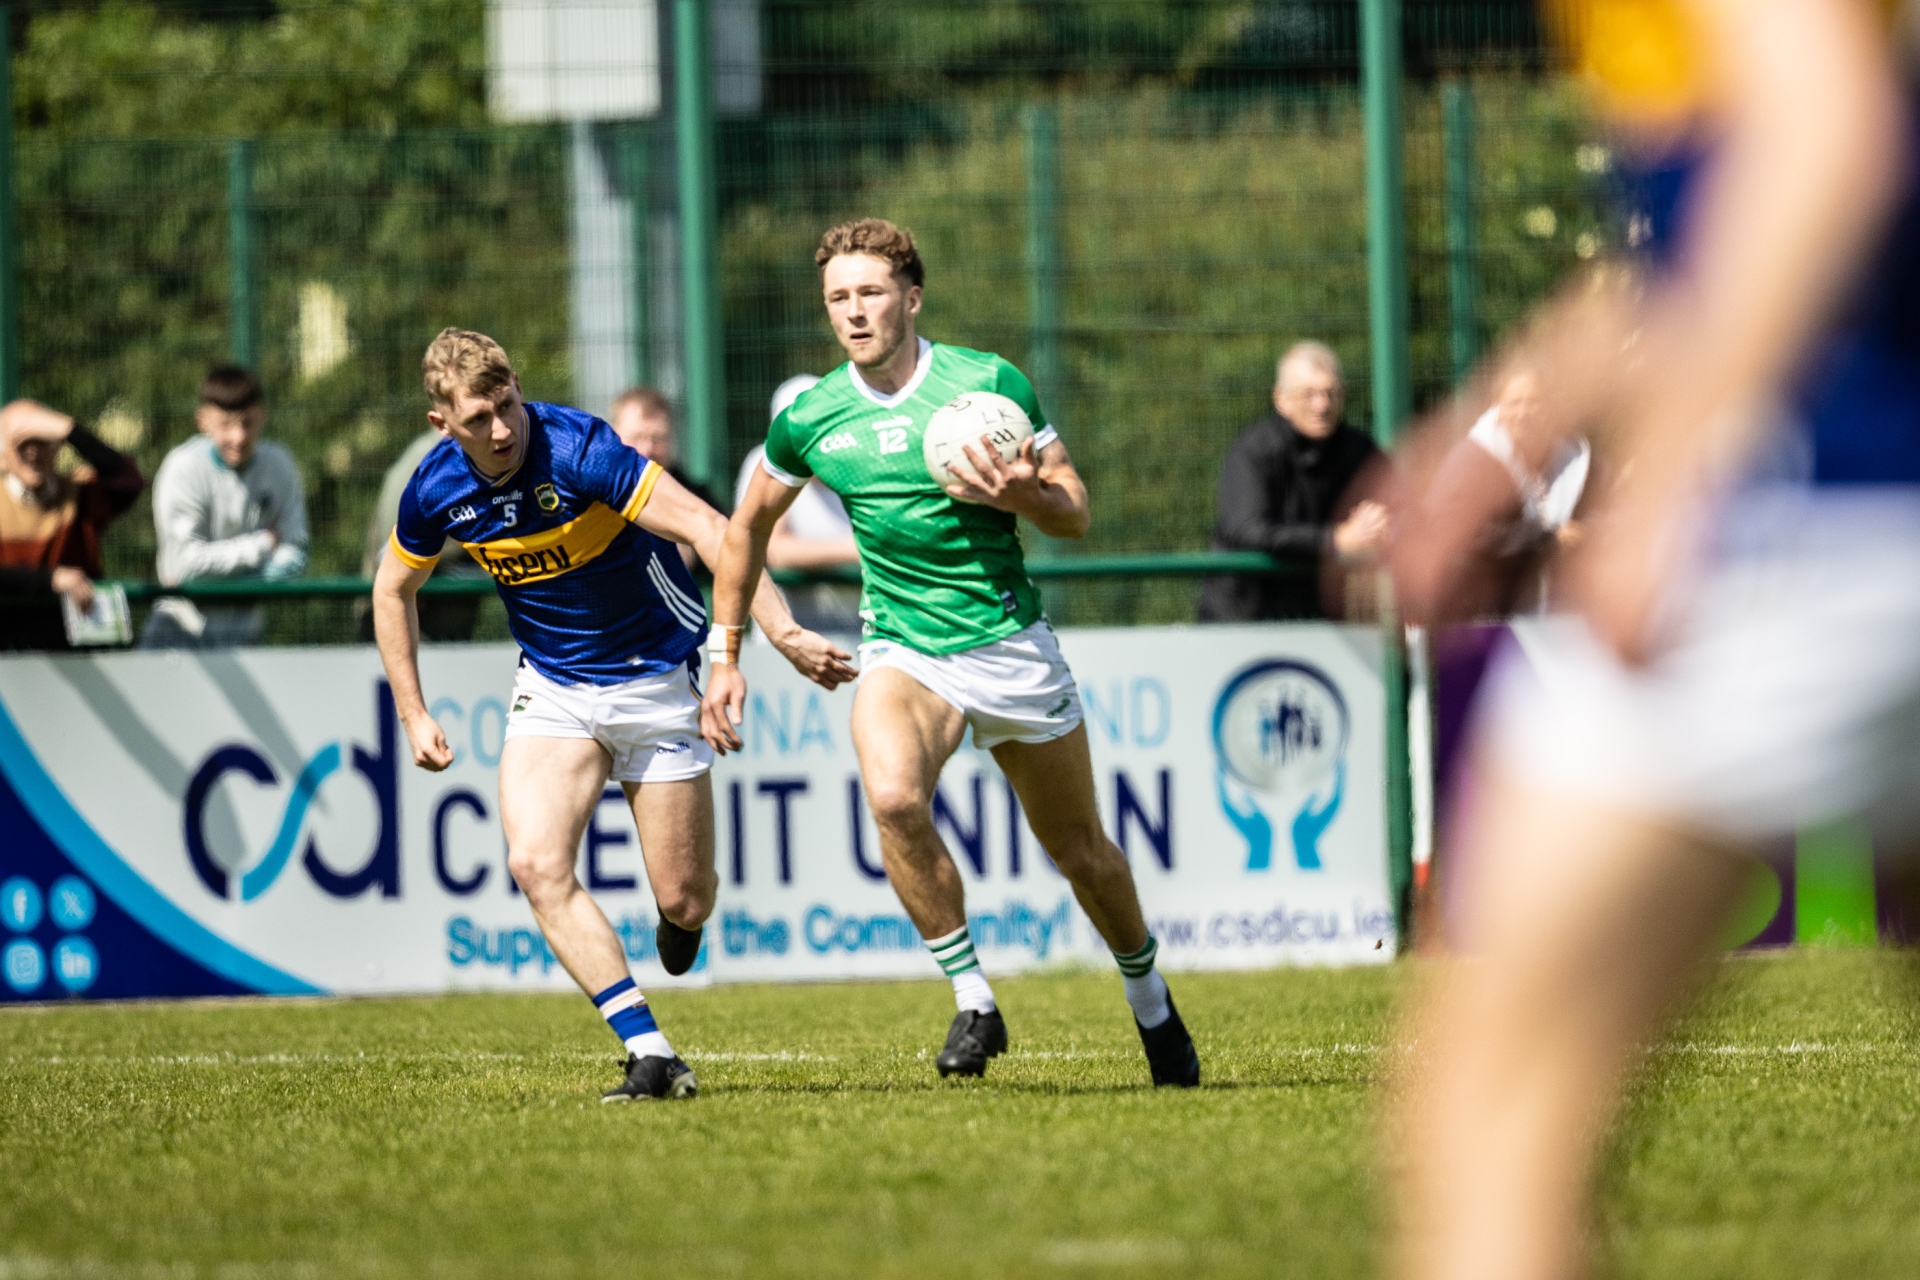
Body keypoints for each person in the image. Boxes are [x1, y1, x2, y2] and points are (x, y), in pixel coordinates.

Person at [1391, 0, 1916, 1276]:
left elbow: (1828, 139)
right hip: (1850, 522)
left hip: (1828, 526)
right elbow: (1714, 237)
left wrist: (1672, 476)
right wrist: (1509, 424)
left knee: (1494, 1114)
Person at [702, 217, 1201, 1086]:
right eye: (838, 298)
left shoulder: (987, 385)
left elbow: (1075, 512)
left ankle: (1151, 1000)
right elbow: (744, 528)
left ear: (913, 298)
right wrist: (729, 651)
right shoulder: (811, 417)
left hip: (1008, 643)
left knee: (1080, 851)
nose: (854, 312)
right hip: (904, 649)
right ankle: (974, 1000)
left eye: (870, 292)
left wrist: (1026, 495)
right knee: (894, 798)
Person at [372, 328, 853, 1102]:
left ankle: (682, 920)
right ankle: (649, 1053)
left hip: (656, 677)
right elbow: (392, 589)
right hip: (555, 687)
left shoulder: (578, 450)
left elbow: (712, 529)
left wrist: (777, 633)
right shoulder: (434, 489)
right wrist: (412, 711)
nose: (501, 430)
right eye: (478, 419)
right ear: (442, 423)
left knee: (685, 900)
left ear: (518, 388)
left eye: (507, 405)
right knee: (535, 864)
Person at [1198, 342, 1390, 622]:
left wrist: (1381, 525)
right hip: (1244, 619)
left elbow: (1404, 510)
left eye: (1330, 393)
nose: (1322, 405)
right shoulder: (1253, 452)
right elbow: (1247, 531)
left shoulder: (1360, 451)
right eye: (1308, 394)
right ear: (1281, 399)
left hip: (1324, 619)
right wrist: (1334, 540)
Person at [141, 365, 308, 649]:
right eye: (226, 424)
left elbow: (297, 556)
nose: (238, 437)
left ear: (262, 416)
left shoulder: (279, 464)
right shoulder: (183, 468)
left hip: (246, 641)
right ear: (203, 421)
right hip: (176, 642)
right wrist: (262, 545)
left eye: (247, 423)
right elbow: (185, 566)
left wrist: (222, 577)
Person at [1415, 366, 1591, 617]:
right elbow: (1453, 530)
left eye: (1533, 402)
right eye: (1514, 403)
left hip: (1544, 612)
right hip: (1472, 613)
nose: (1523, 413)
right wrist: (1545, 538)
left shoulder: (1571, 458)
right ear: (1497, 408)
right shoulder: (1473, 461)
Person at [0, 399, 144, 649]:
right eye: (22, 443)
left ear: (57, 446)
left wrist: (70, 430)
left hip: (76, 652)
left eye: (41, 441)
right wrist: (50, 579)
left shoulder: (79, 493)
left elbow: (129, 482)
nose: (33, 452)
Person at [734, 374, 863, 638]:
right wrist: (859, 548)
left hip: (864, 637)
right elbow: (774, 549)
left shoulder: (862, 465)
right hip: (789, 643)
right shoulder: (765, 464)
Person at [354, 431, 488, 644]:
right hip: (404, 619)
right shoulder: (428, 458)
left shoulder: (477, 456)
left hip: (442, 620)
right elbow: (392, 552)